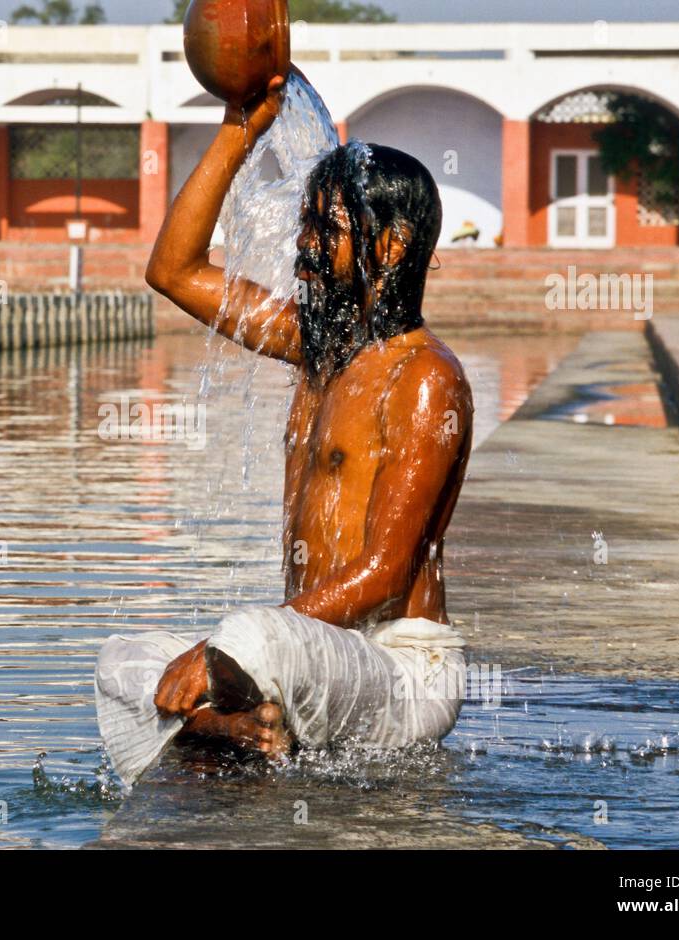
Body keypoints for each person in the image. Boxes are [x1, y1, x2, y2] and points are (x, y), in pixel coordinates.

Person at [94, 73, 474, 785]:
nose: (301, 246)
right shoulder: (318, 348)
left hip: (399, 669)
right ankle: (250, 721)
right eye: (304, 222)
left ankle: (242, 716)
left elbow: (387, 575)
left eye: (322, 230)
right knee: (123, 660)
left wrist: (229, 650)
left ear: (388, 248)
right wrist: (242, 128)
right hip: (313, 656)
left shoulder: (426, 378)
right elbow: (173, 270)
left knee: (248, 635)